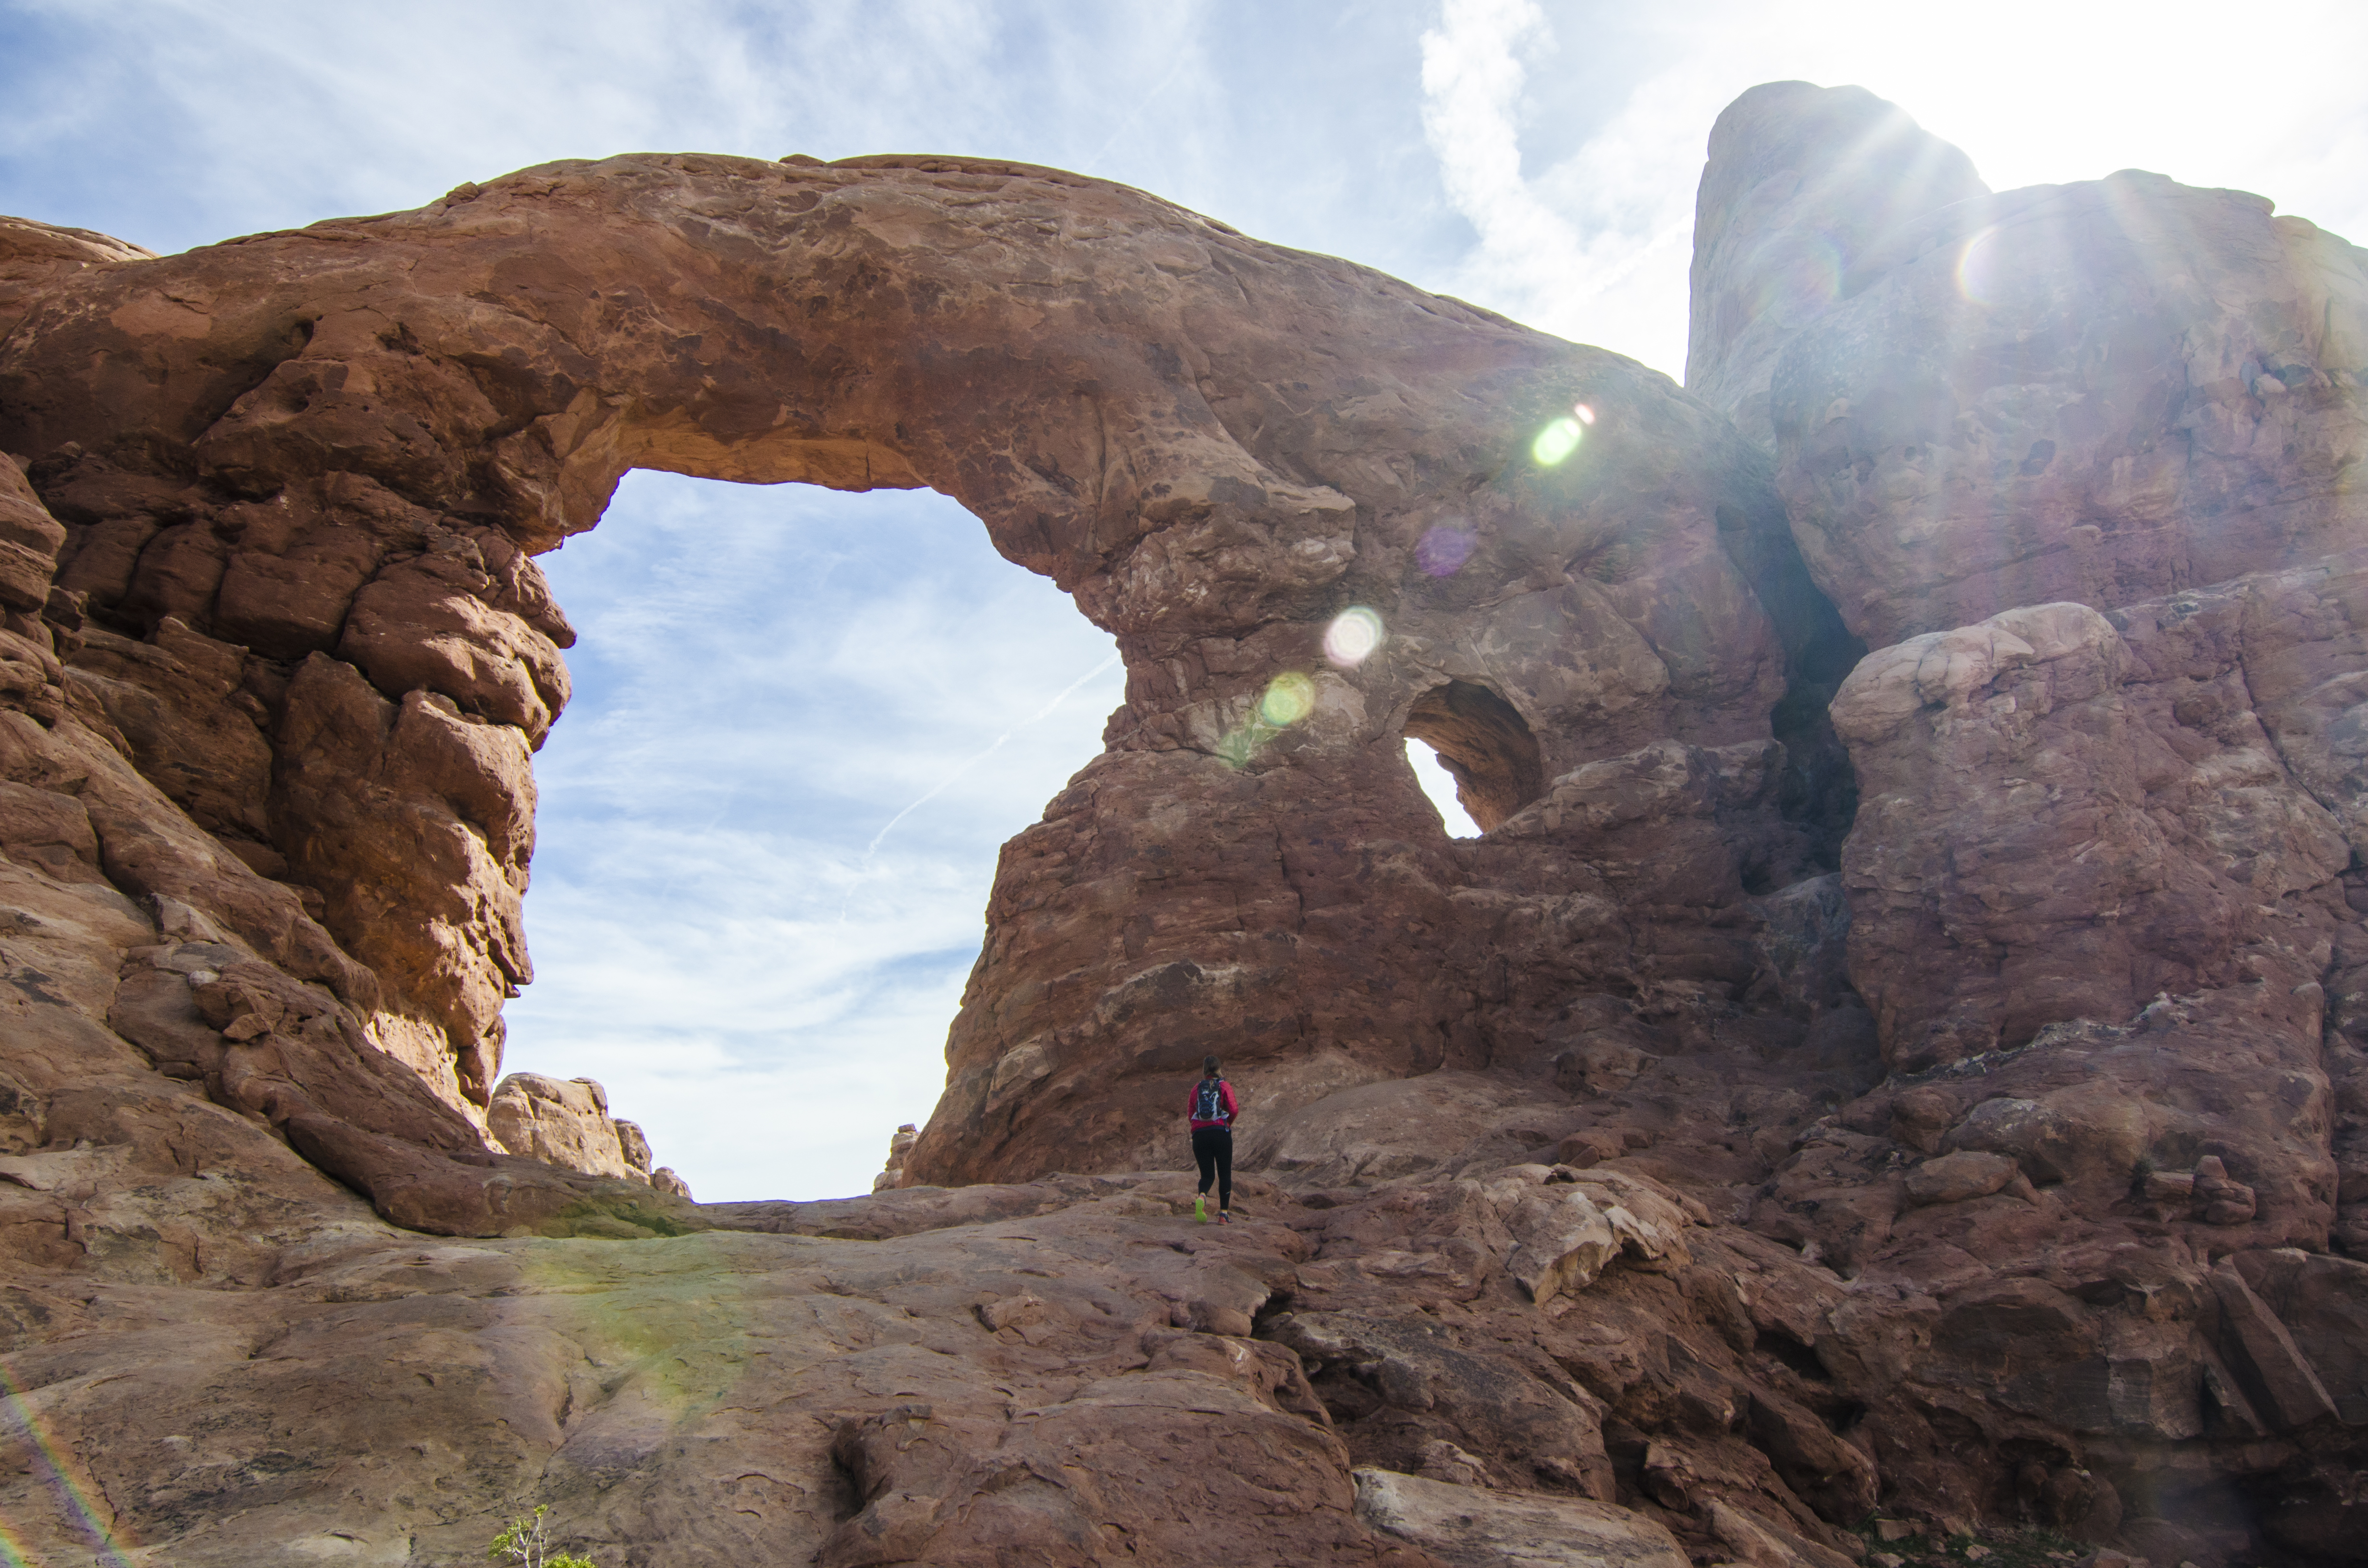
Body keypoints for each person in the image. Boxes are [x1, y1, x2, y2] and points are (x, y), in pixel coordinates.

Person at [1187, 1054, 1238, 1224]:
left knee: (1207, 1175)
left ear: (1204, 1070)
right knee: (1225, 1174)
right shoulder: (1224, 1086)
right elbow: (1234, 1109)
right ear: (1218, 1068)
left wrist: (1200, 1129)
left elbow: (1191, 1114)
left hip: (1200, 1137)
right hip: (1220, 1133)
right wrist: (1226, 1124)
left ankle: (1202, 1196)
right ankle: (1223, 1215)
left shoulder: (1196, 1089)